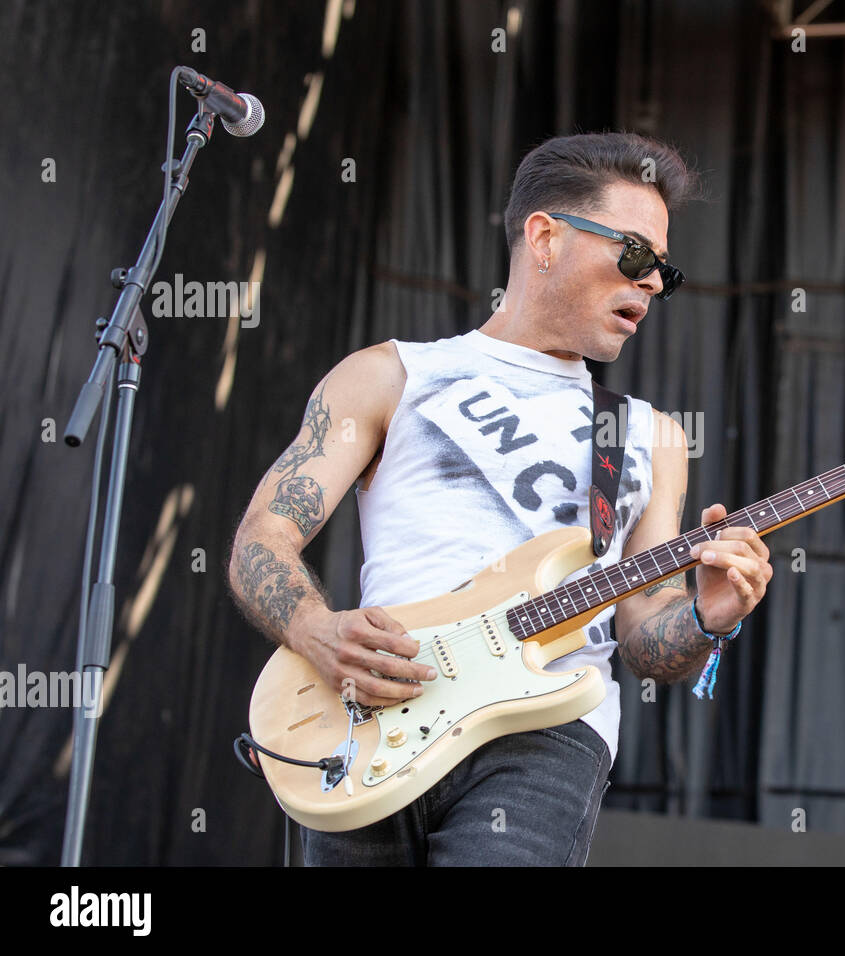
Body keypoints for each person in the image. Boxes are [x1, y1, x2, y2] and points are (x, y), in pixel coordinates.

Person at [227, 131, 773, 866]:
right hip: (371, 714)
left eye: (663, 274)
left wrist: (708, 616)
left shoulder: (649, 436)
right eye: (637, 254)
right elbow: (263, 535)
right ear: (545, 236)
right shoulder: (391, 376)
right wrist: (314, 629)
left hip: (544, 737)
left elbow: (645, 636)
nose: (650, 283)